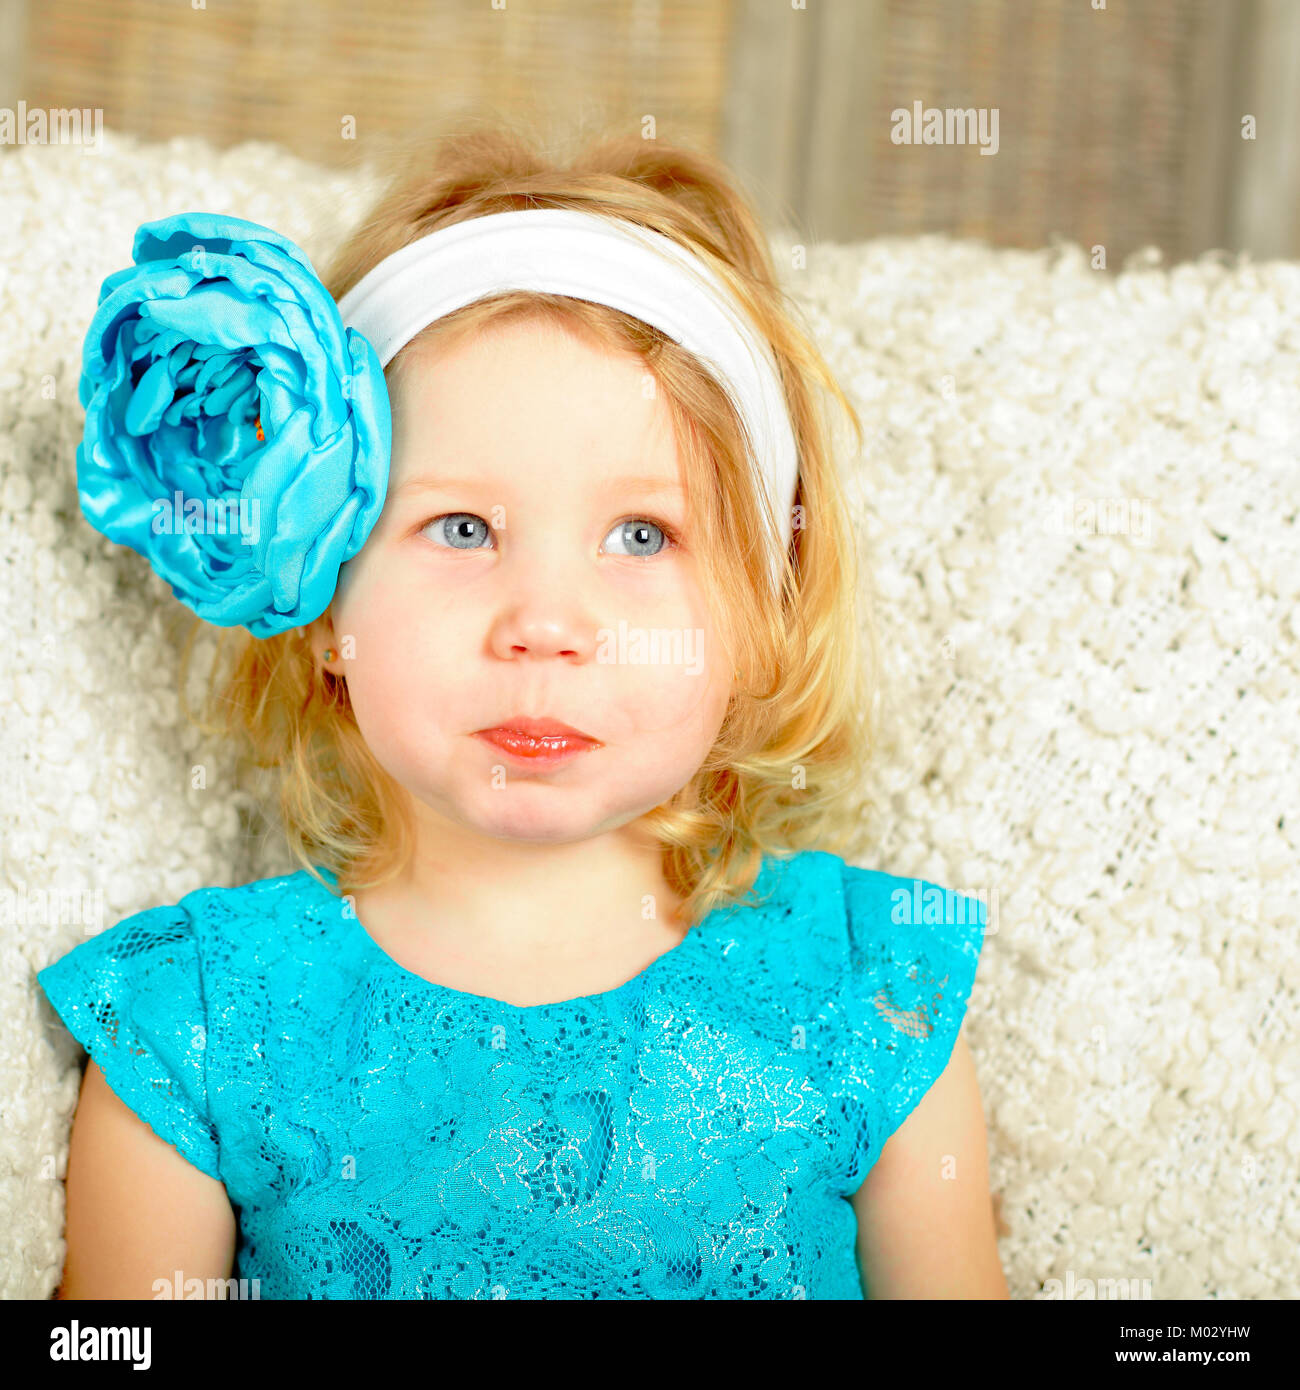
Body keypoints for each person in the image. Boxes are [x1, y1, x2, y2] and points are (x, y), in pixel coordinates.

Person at [37, 124, 1006, 1299]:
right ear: (325, 600)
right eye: (462, 529)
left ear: (758, 622)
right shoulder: (195, 1026)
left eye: (642, 535)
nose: (544, 621)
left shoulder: (867, 997)